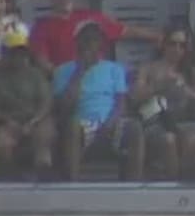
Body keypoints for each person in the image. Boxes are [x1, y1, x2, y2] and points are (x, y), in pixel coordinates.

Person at [54, 22, 144, 181]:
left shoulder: (114, 68)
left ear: (101, 44)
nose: (89, 45)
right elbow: (64, 107)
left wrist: (110, 122)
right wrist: (80, 71)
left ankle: (132, 188)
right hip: (82, 123)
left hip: (111, 122)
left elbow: (121, 102)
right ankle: (72, 186)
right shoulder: (63, 70)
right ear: (77, 43)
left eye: (94, 40)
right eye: (85, 40)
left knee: (134, 127)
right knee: (73, 126)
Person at [28, 0, 157, 70]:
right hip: (67, 84)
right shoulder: (41, 27)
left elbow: (127, 31)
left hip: (97, 76)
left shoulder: (91, 17)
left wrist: (158, 36)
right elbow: (43, 64)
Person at [130, 23, 195, 180]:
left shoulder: (191, 71)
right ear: (163, 44)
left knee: (193, 140)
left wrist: (183, 88)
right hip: (155, 123)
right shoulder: (148, 68)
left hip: (183, 121)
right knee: (168, 140)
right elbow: (135, 97)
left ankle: (186, 185)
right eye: (172, 44)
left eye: (182, 45)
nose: (177, 49)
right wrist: (158, 86)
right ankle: (173, 188)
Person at [0, 28, 54, 180]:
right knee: (0, 143)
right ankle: (12, 180)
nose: (19, 57)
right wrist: (7, 121)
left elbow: (46, 102)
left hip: (35, 120)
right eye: (14, 53)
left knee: (44, 135)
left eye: (22, 53)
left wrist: (33, 121)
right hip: (6, 122)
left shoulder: (36, 75)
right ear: (6, 54)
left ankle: (44, 176)